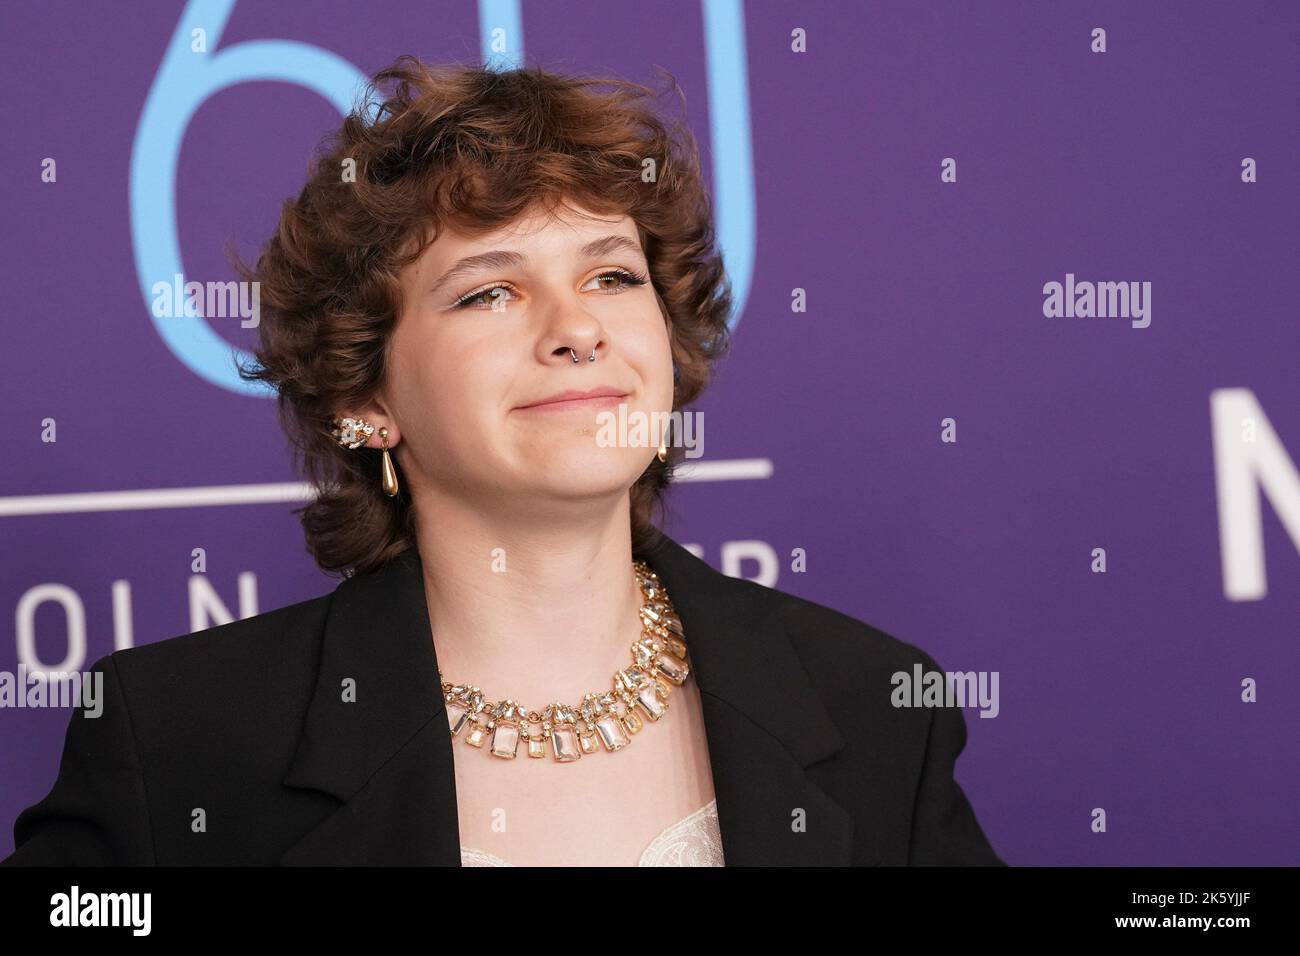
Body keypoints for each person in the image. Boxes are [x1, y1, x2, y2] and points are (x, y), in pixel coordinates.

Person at [2, 56, 1004, 867]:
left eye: (612, 274)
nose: (576, 329)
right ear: (367, 395)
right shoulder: (180, 737)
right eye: (489, 291)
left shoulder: (872, 700)